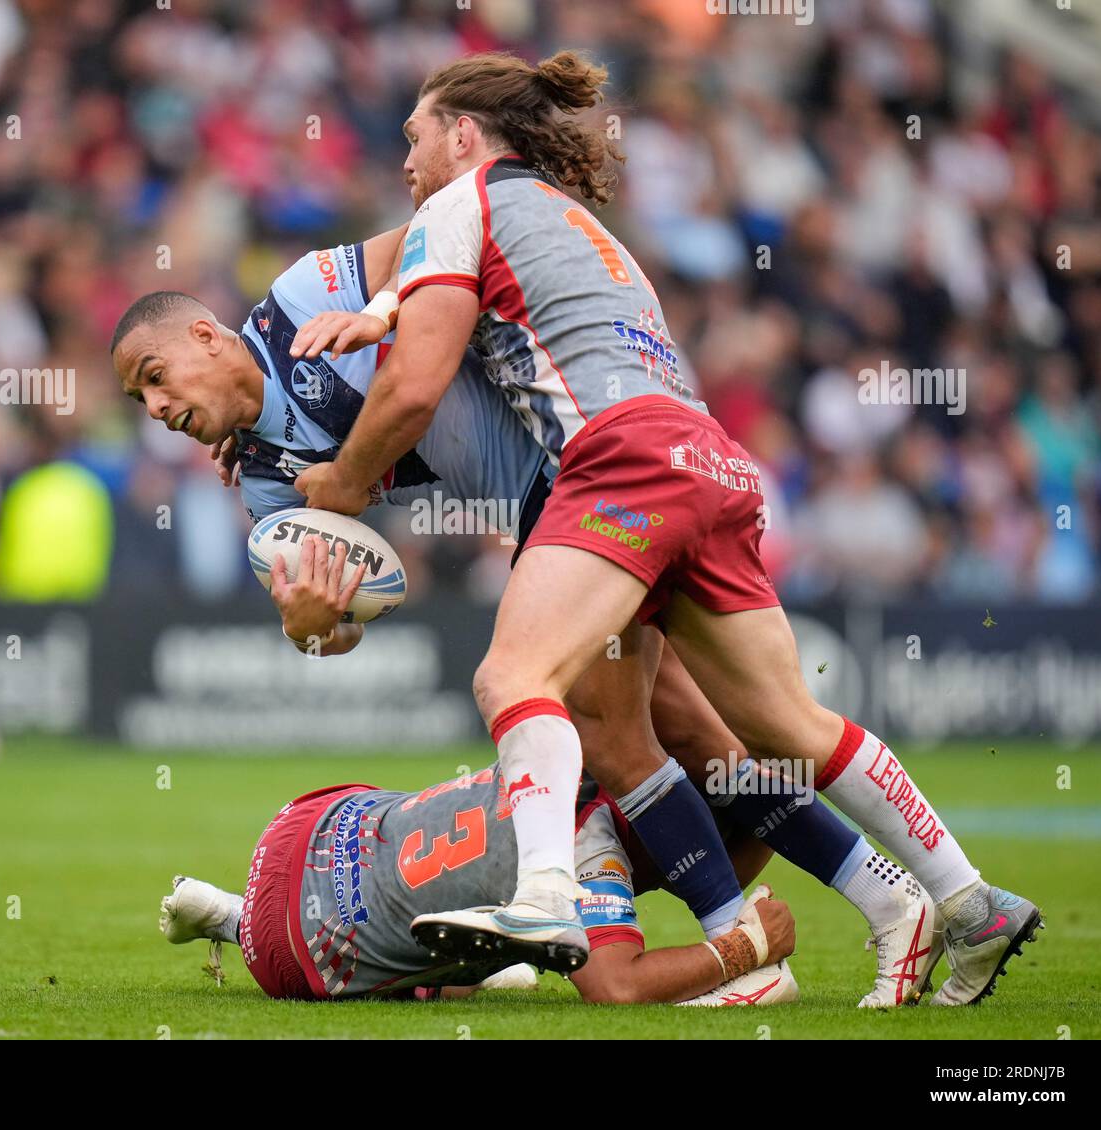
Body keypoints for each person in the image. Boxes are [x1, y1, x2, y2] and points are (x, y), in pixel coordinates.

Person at [287, 50, 1040, 1004]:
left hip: (619, 462)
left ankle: (548, 892)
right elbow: (489, 300)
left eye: (415, 137)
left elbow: (415, 386)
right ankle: (964, 900)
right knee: (777, 726)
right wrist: (383, 306)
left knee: (514, 677)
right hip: (710, 460)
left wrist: (346, 484)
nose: (405, 161)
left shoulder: (456, 205)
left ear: (465, 137)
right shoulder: (569, 217)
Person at [111, 246, 942, 1006]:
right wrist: (312, 626)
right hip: (567, 494)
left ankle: (757, 939)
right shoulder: (264, 484)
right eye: (138, 398)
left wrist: (389, 306)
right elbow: (333, 631)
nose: (153, 405)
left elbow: (429, 237)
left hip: (584, 466)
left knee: (622, 736)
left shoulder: (298, 302)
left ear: (206, 335)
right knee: (699, 731)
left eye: (155, 374)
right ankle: (890, 901)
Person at [157, 757, 798, 1006]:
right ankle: (229, 919)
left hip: (306, 822)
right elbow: (616, 988)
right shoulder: (592, 847)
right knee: (480, 944)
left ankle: (228, 912)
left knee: (455, 909)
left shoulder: (580, 742)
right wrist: (744, 947)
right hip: (292, 952)